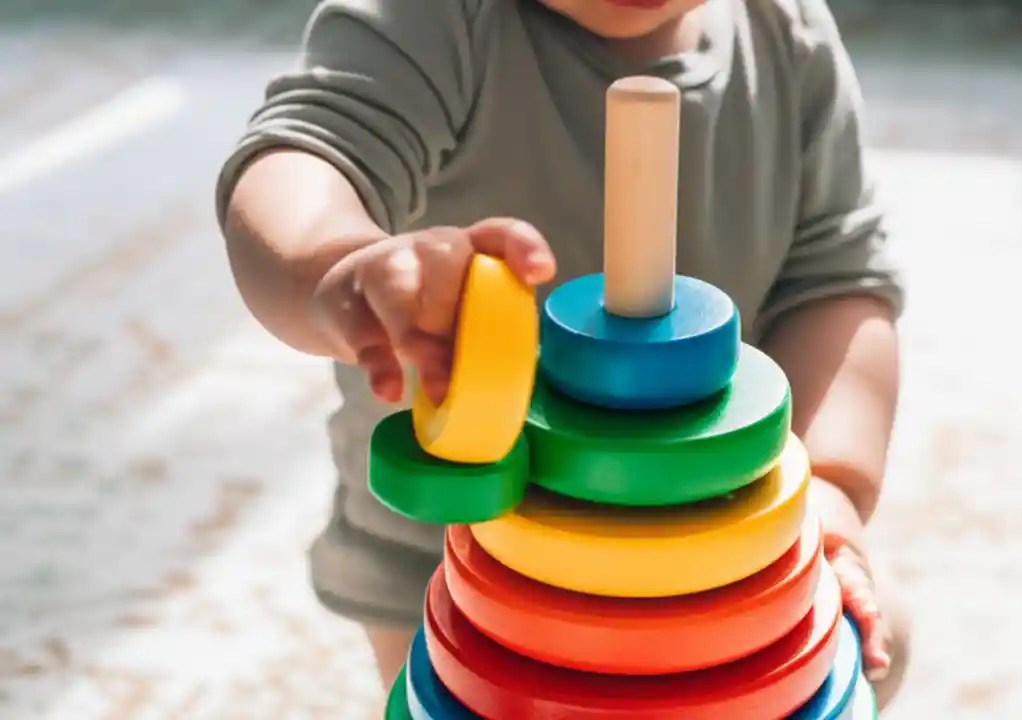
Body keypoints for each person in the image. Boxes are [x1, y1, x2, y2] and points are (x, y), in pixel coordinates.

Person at [216, 0, 910, 708]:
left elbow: (838, 287)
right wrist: (338, 263)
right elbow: (306, 157)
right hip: (453, 567)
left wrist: (829, 487)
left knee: (880, 645)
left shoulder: (787, 32)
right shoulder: (429, 19)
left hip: (715, 556)